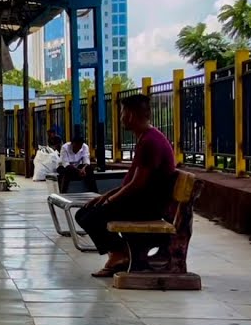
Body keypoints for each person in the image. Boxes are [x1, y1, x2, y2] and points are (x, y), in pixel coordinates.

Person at [74, 94, 178, 277]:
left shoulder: (150, 142)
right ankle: (120, 253)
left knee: (89, 217)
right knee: (85, 213)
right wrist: (105, 197)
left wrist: (111, 201)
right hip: (140, 202)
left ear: (130, 114)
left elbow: (137, 184)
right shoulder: (147, 138)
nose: (121, 118)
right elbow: (133, 181)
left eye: (122, 113)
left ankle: (120, 255)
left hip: (148, 208)